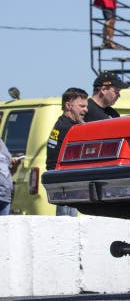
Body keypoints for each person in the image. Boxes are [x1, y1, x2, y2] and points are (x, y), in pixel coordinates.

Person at [46, 87, 90, 216]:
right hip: (66, 184)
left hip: (61, 181)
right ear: (68, 105)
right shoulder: (69, 128)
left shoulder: (61, 123)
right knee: (68, 221)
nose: (86, 110)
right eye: (81, 106)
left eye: (86, 106)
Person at [0, 138, 22, 216]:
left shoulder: (2, 144)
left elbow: (9, 173)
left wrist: (16, 165)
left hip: (5, 196)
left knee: (4, 223)